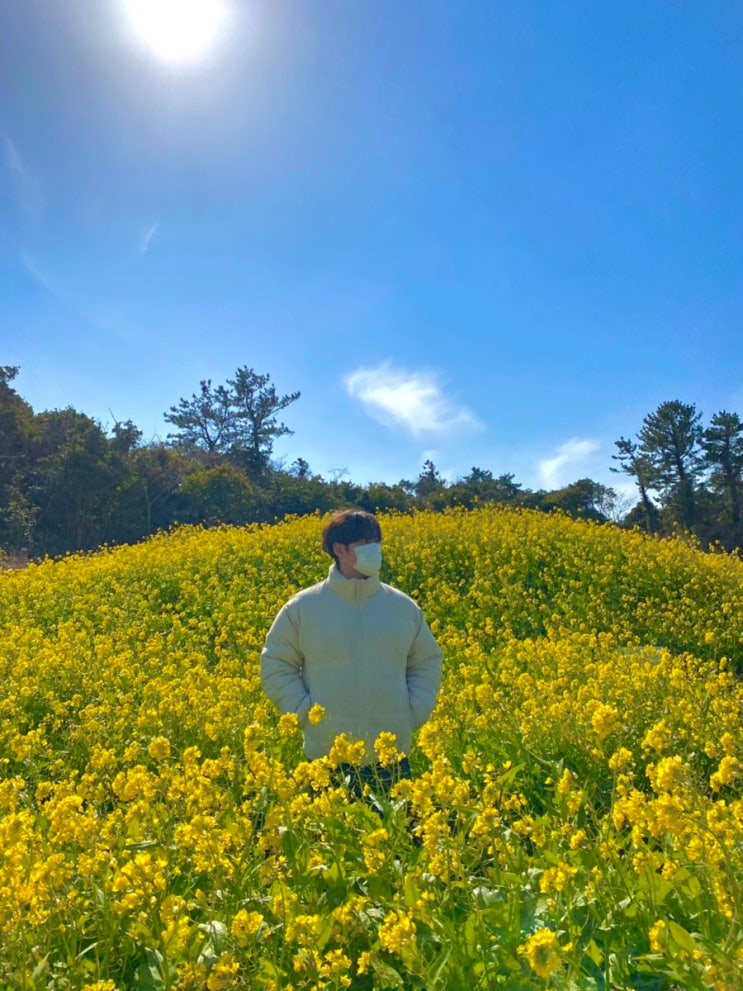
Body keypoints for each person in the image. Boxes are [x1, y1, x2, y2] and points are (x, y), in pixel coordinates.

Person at [260, 509, 443, 805]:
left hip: (391, 758)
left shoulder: (402, 608)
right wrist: (305, 713)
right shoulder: (303, 608)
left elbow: (426, 661)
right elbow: (276, 663)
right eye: (366, 543)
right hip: (327, 758)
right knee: (331, 847)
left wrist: (414, 709)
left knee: (395, 845)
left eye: (377, 541)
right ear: (340, 550)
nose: (375, 550)